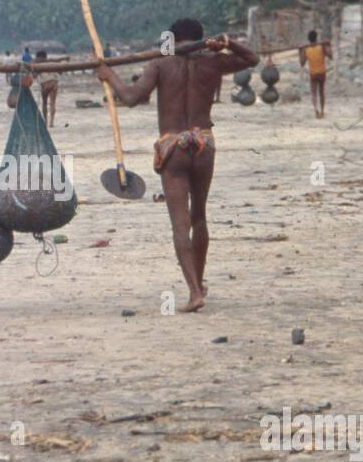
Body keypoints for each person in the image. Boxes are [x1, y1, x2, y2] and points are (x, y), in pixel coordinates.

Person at [96, 18, 258, 313]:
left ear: (172, 39)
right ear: (199, 38)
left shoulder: (160, 63)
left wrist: (109, 76)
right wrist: (227, 43)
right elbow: (252, 58)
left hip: (173, 147)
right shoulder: (212, 61)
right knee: (199, 216)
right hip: (204, 143)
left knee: (180, 224)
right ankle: (200, 282)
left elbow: (131, 97)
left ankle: (195, 291)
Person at [298, 29, 331, 119]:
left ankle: (316, 109)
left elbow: (302, 63)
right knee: (321, 92)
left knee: (314, 93)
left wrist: (300, 51)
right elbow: (330, 56)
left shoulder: (306, 49)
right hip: (322, 72)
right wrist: (328, 45)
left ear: (309, 39)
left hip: (313, 73)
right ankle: (322, 111)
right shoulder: (322, 47)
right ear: (316, 38)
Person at [37, 50, 59, 127]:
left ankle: (45, 121)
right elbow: (60, 72)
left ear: (40, 57)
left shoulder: (38, 65)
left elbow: (34, 75)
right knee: (52, 102)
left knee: (44, 103)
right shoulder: (52, 63)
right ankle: (51, 122)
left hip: (45, 84)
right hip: (54, 83)